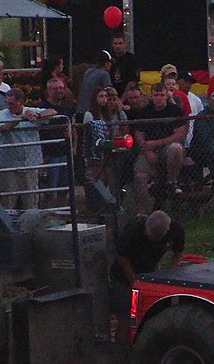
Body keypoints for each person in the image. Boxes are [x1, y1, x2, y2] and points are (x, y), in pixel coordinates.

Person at [109, 210, 184, 343]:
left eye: (154, 238)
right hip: (123, 275)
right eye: (148, 236)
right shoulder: (133, 230)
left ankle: (145, 342)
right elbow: (120, 254)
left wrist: (171, 274)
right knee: (126, 314)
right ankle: (121, 349)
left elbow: (178, 252)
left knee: (150, 311)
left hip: (150, 271)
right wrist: (132, 277)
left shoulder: (176, 230)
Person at [0, 88, 58, 209]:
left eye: (11, 103)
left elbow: (53, 111)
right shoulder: (2, 113)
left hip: (30, 164)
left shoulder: (31, 111)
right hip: (9, 164)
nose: (8, 106)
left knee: (31, 199)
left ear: (21, 102)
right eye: (7, 103)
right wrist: (21, 118)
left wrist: (38, 116)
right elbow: (3, 127)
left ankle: (29, 224)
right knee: (8, 200)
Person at [133, 83, 187, 201]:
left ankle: (171, 182)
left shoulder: (176, 111)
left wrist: (155, 143)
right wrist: (147, 151)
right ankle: (143, 214)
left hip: (167, 148)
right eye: (156, 95)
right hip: (148, 150)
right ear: (151, 96)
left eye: (161, 95)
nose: (159, 98)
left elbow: (179, 135)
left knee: (176, 148)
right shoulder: (144, 112)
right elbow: (139, 134)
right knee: (140, 176)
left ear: (166, 95)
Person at [37, 78, 77, 206]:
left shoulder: (68, 109)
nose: (59, 91)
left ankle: (62, 213)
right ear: (48, 91)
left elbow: (73, 128)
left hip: (65, 153)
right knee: (50, 190)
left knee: (65, 188)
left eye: (61, 88)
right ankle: (48, 214)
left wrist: (74, 146)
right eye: (55, 88)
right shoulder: (42, 108)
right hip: (49, 154)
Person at [82, 87, 128, 186]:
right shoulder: (90, 114)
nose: (104, 99)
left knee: (110, 176)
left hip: (108, 149)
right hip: (94, 150)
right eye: (101, 96)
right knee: (98, 177)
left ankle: (112, 198)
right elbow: (88, 134)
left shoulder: (109, 114)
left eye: (105, 96)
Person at [77, 51, 113, 119]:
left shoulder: (88, 72)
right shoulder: (104, 74)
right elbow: (110, 94)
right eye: (110, 63)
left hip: (80, 112)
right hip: (93, 114)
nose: (111, 65)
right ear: (106, 64)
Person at [177, 71, 205, 150]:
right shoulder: (171, 97)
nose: (188, 84)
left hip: (193, 136)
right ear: (179, 81)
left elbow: (201, 118)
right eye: (186, 81)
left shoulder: (196, 99)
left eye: (190, 82)